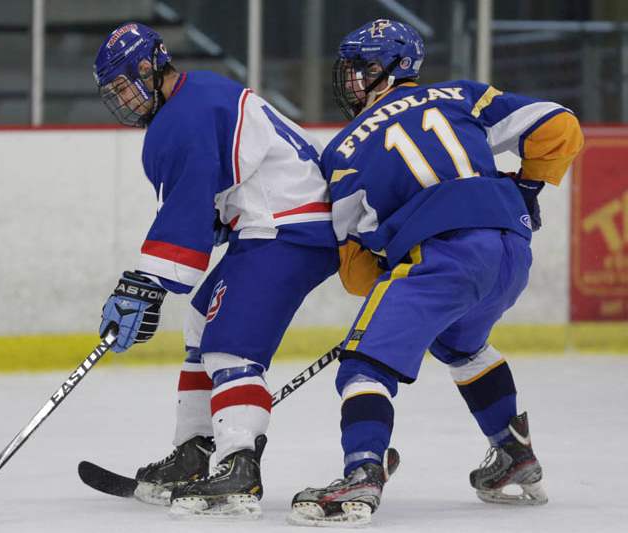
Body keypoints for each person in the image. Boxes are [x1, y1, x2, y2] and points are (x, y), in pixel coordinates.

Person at [287, 19, 583, 527]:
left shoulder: (342, 151)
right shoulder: (462, 94)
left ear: (391, 70)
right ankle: (514, 456)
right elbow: (561, 128)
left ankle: (362, 470)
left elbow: (359, 279)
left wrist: (391, 263)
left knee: (363, 365)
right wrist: (529, 189)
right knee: (462, 346)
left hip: (443, 257)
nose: (352, 81)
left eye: (362, 70)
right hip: (511, 251)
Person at [93, 23, 338, 518]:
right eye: (113, 92)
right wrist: (153, 281)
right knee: (201, 324)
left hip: (289, 227)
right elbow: (206, 210)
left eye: (123, 85)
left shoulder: (182, 116)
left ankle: (238, 467)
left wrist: (147, 282)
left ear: (149, 68)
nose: (122, 99)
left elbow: (185, 212)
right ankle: (194, 453)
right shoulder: (194, 98)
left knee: (230, 342)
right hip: (274, 226)